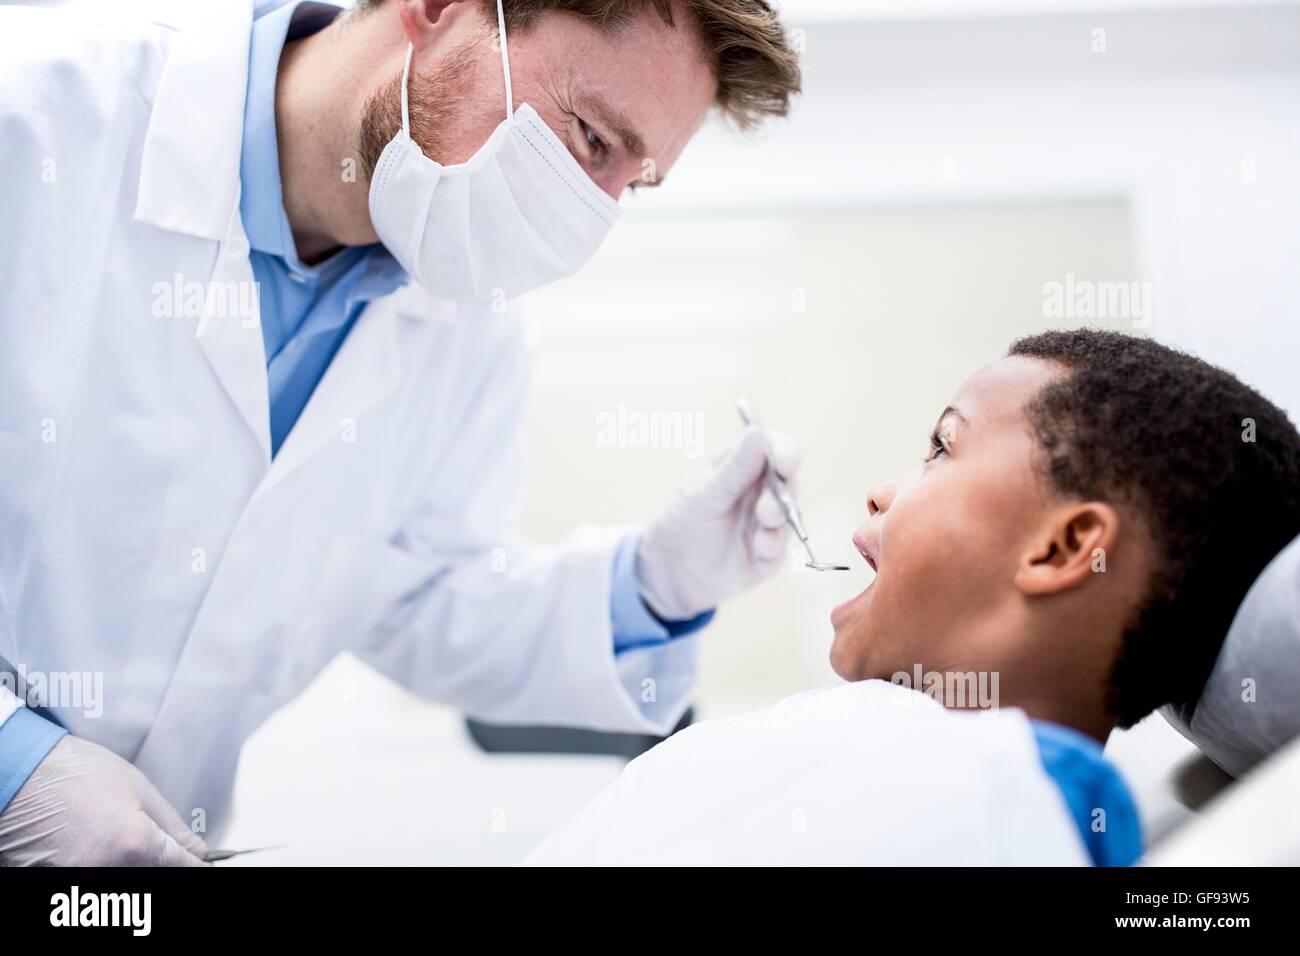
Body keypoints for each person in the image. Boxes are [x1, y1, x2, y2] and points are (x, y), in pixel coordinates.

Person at [0, 0, 802, 864]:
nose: (588, 215)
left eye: (629, 184)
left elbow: (419, 594)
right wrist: (16, 769)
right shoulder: (38, 124)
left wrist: (649, 588)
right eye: (591, 140)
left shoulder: (468, 331)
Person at [525, 330, 1300, 866]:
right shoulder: (907, 753)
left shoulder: (987, 789)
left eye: (941, 448)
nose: (880, 493)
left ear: (1063, 549)